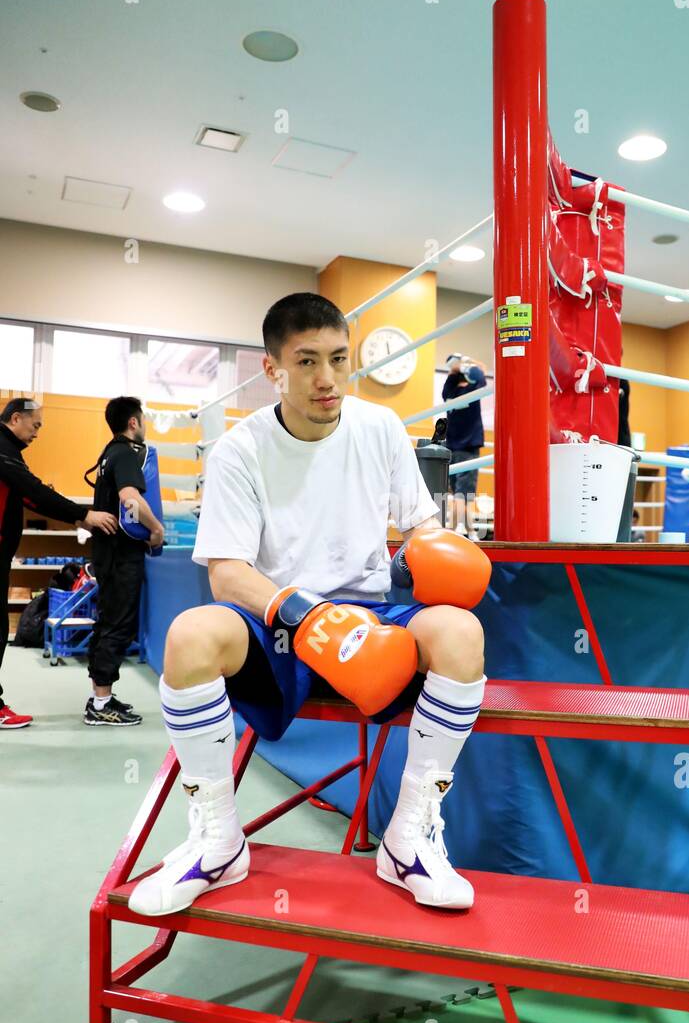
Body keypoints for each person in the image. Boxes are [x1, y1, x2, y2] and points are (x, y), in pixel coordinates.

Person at [128, 293, 490, 918]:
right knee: (191, 635)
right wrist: (305, 615)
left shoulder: (379, 429)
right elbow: (227, 574)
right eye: (306, 362)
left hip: (372, 613)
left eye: (339, 359)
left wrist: (433, 547)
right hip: (278, 619)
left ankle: (409, 838)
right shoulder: (241, 449)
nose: (327, 379)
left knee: (460, 633)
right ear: (273, 368)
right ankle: (216, 839)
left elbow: (419, 528)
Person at [0, 397, 117, 729]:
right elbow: (32, 491)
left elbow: (27, 496)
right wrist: (83, 513)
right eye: (35, 425)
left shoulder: (9, 451)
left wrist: (75, 520)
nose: (38, 432)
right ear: (16, 418)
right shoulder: (3, 449)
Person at [84, 397, 165, 726]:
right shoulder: (127, 453)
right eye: (142, 419)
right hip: (121, 555)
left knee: (107, 623)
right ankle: (101, 706)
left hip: (106, 553)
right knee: (118, 625)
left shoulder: (107, 453)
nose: (144, 424)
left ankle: (99, 697)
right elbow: (129, 499)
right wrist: (156, 528)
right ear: (134, 422)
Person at [442, 353, 487, 539]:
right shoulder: (472, 391)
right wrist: (468, 362)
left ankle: (457, 531)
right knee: (464, 496)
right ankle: (463, 532)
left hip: (451, 448)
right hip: (467, 449)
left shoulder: (450, 394)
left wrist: (455, 369)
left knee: (458, 496)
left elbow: (447, 386)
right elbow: (481, 376)